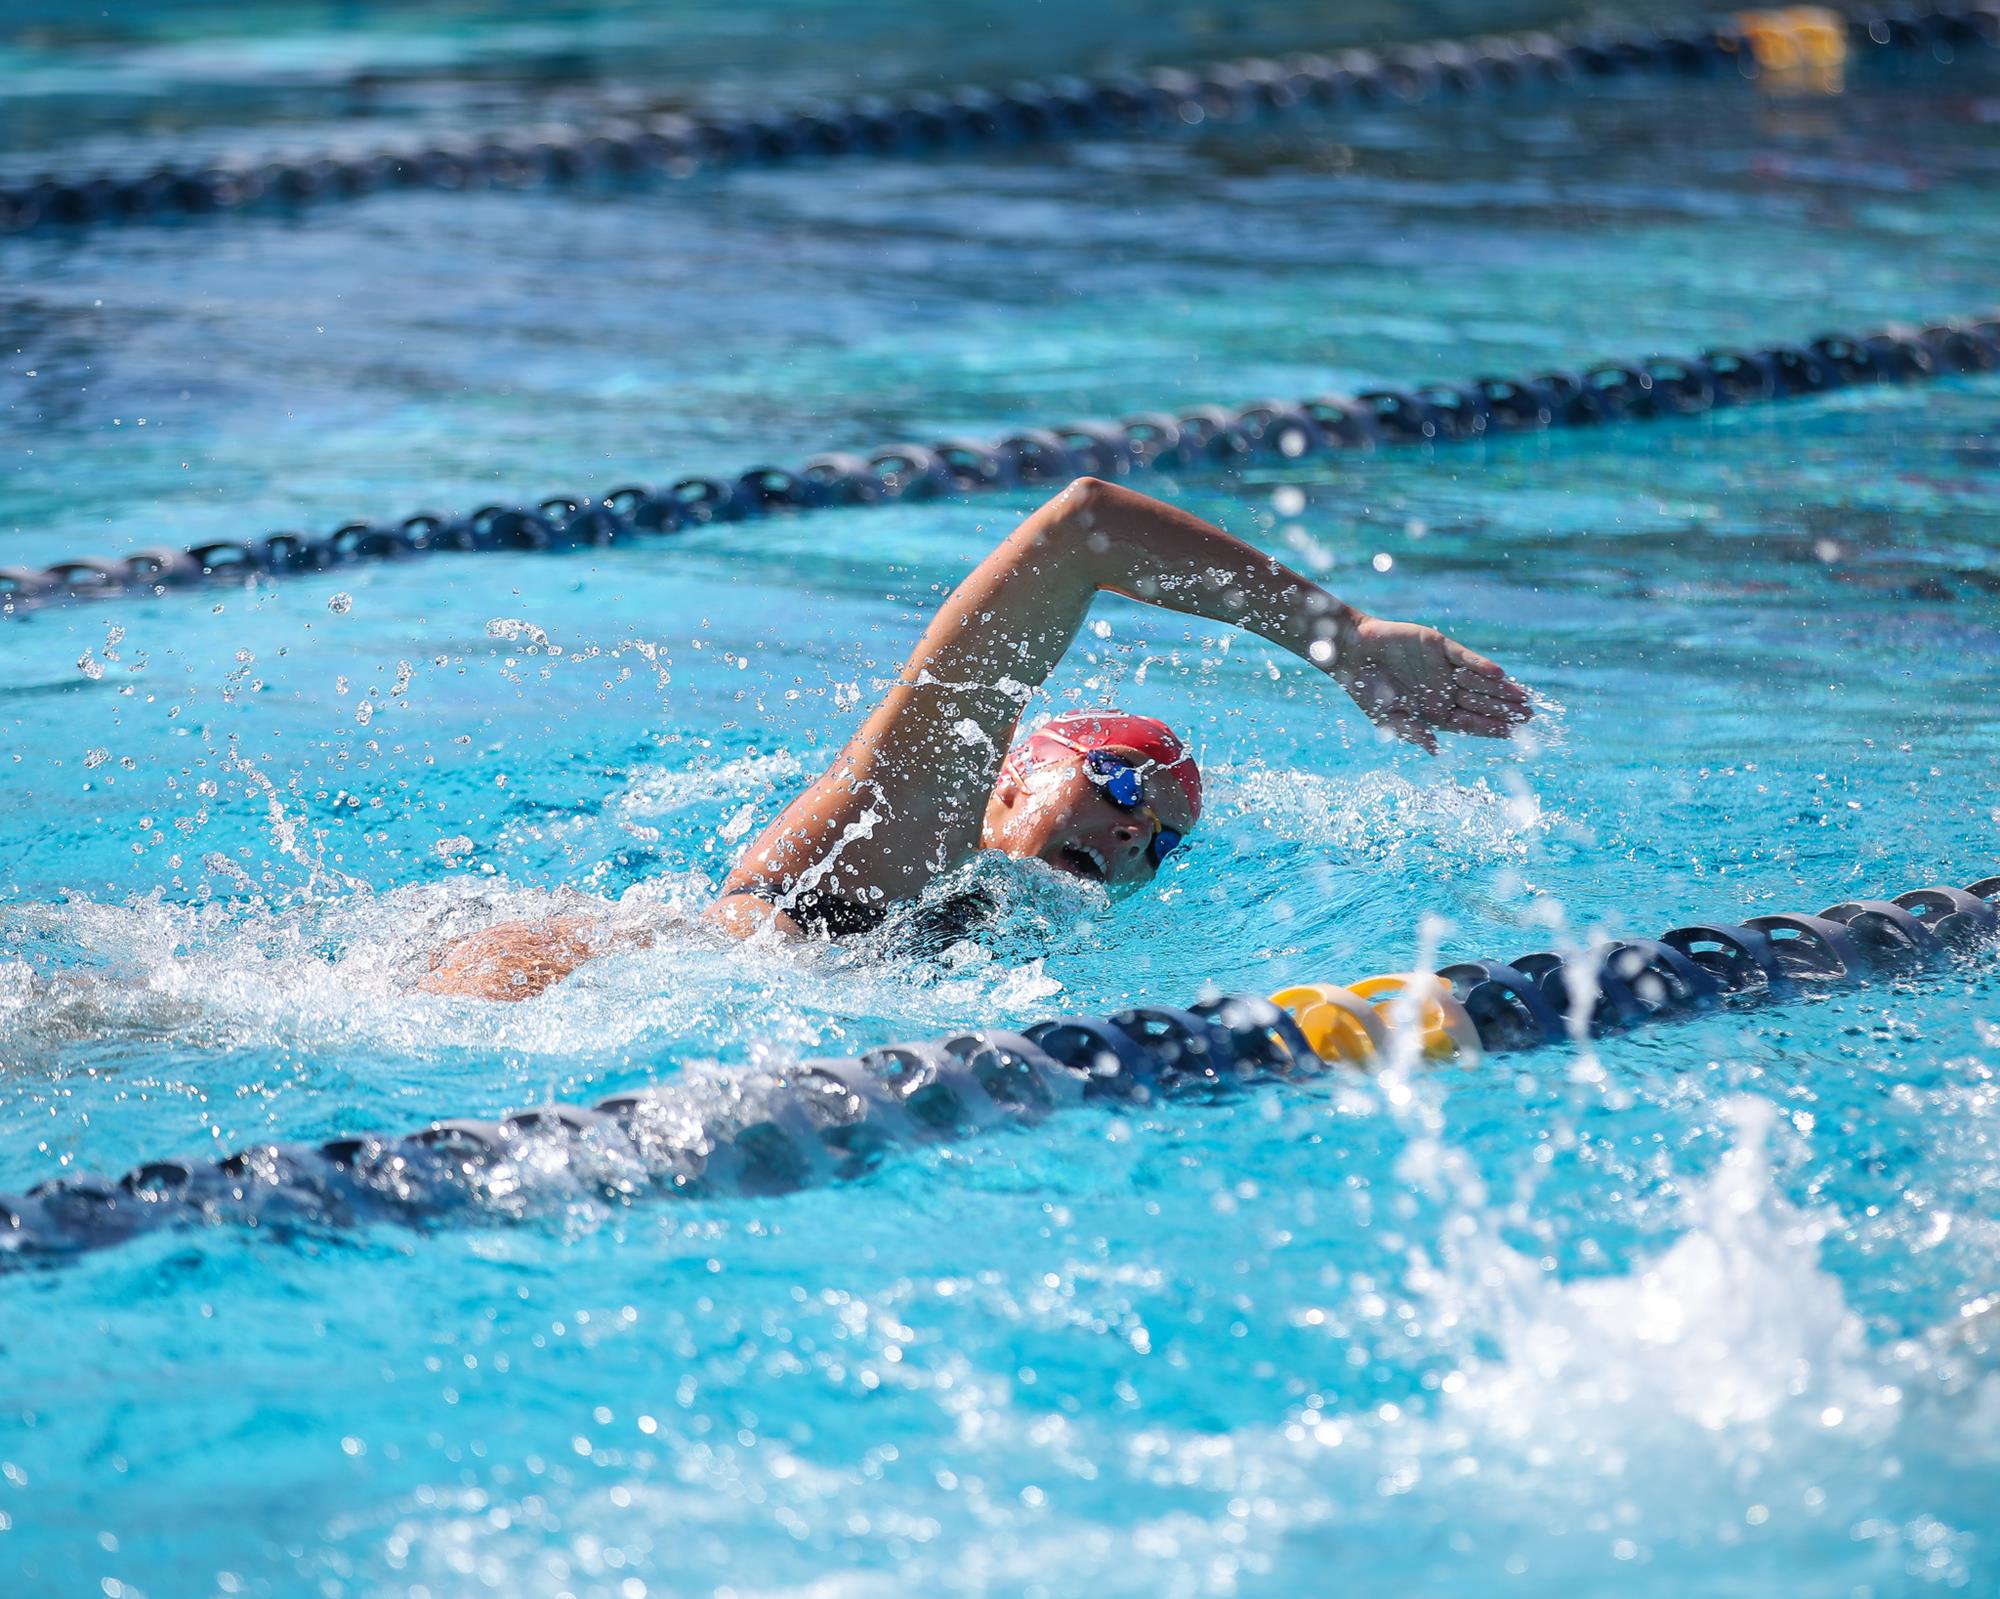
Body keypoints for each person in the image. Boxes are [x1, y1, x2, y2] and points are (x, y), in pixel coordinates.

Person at [420, 477, 1531, 998]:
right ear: (1007, 779)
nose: (1136, 837)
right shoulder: (910, 825)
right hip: (497, 1005)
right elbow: (1081, 526)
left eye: (1165, 843)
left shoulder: (991, 931)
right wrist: (1338, 640)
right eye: (1119, 782)